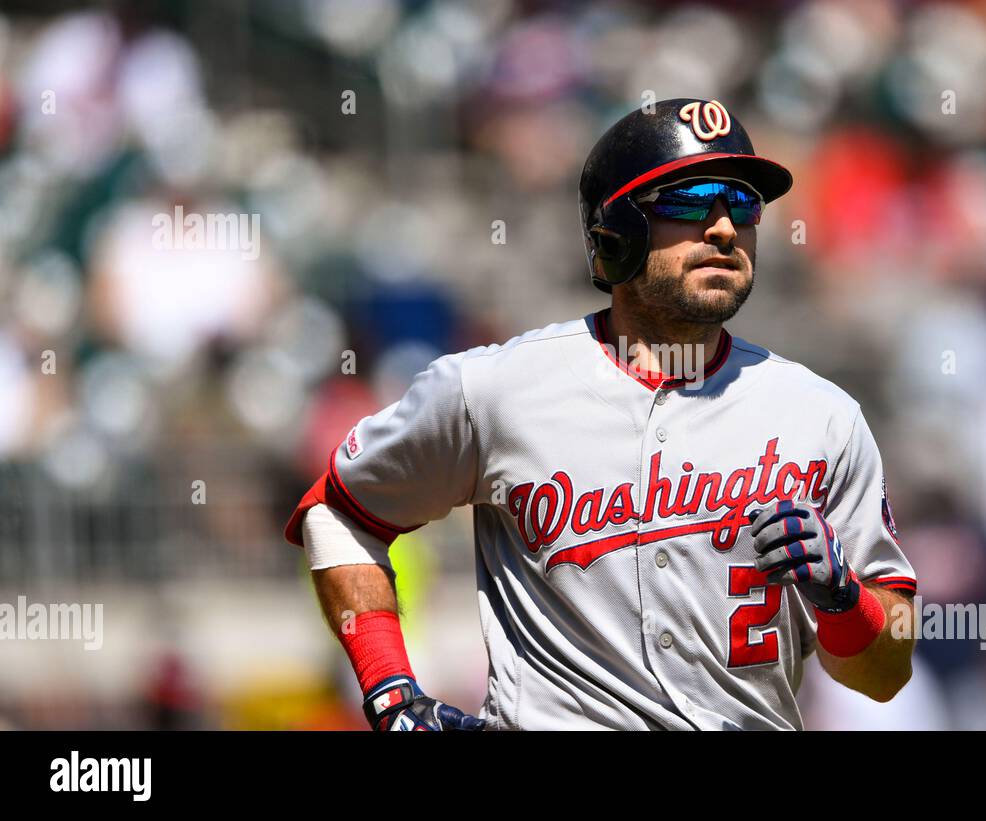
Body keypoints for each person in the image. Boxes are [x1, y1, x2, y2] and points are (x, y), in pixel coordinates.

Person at [283, 98, 917, 730]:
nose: (725, 228)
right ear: (616, 234)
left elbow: (885, 675)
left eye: (743, 204)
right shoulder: (499, 390)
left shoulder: (821, 417)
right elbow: (339, 511)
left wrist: (845, 598)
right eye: (692, 199)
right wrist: (392, 693)